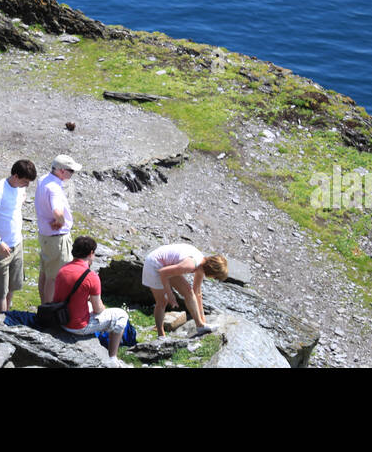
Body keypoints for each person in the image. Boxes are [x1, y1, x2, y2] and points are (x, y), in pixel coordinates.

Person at [52, 236, 130, 366]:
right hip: (78, 327)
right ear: (91, 253)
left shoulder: (63, 269)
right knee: (121, 315)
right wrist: (102, 307)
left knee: (88, 304)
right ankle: (112, 358)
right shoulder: (91, 276)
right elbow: (98, 309)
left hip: (60, 319)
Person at [0, 159, 37, 312]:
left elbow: (14, 206)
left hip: (17, 243)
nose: (27, 185)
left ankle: (7, 314)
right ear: (15, 176)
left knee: (13, 285)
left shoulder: (19, 188)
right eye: (25, 181)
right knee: (0, 289)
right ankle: (2, 321)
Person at [143, 242, 229, 337]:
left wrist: (203, 319)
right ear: (212, 270)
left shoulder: (201, 263)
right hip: (154, 264)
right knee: (163, 301)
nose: (213, 278)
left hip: (166, 265)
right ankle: (161, 335)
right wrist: (170, 294)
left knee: (189, 292)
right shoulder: (190, 265)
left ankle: (200, 325)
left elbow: (197, 293)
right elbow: (163, 273)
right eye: (215, 277)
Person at [35, 154, 80, 302]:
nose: (72, 174)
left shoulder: (43, 180)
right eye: (71, 171)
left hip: (45, 235)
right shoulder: (54, 188)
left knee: (46, 272)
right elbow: (57, 211)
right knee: (54, 277)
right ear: (61, 170)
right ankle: (48, 309)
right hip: (57, 238)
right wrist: (59, 221)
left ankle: (44, 306)